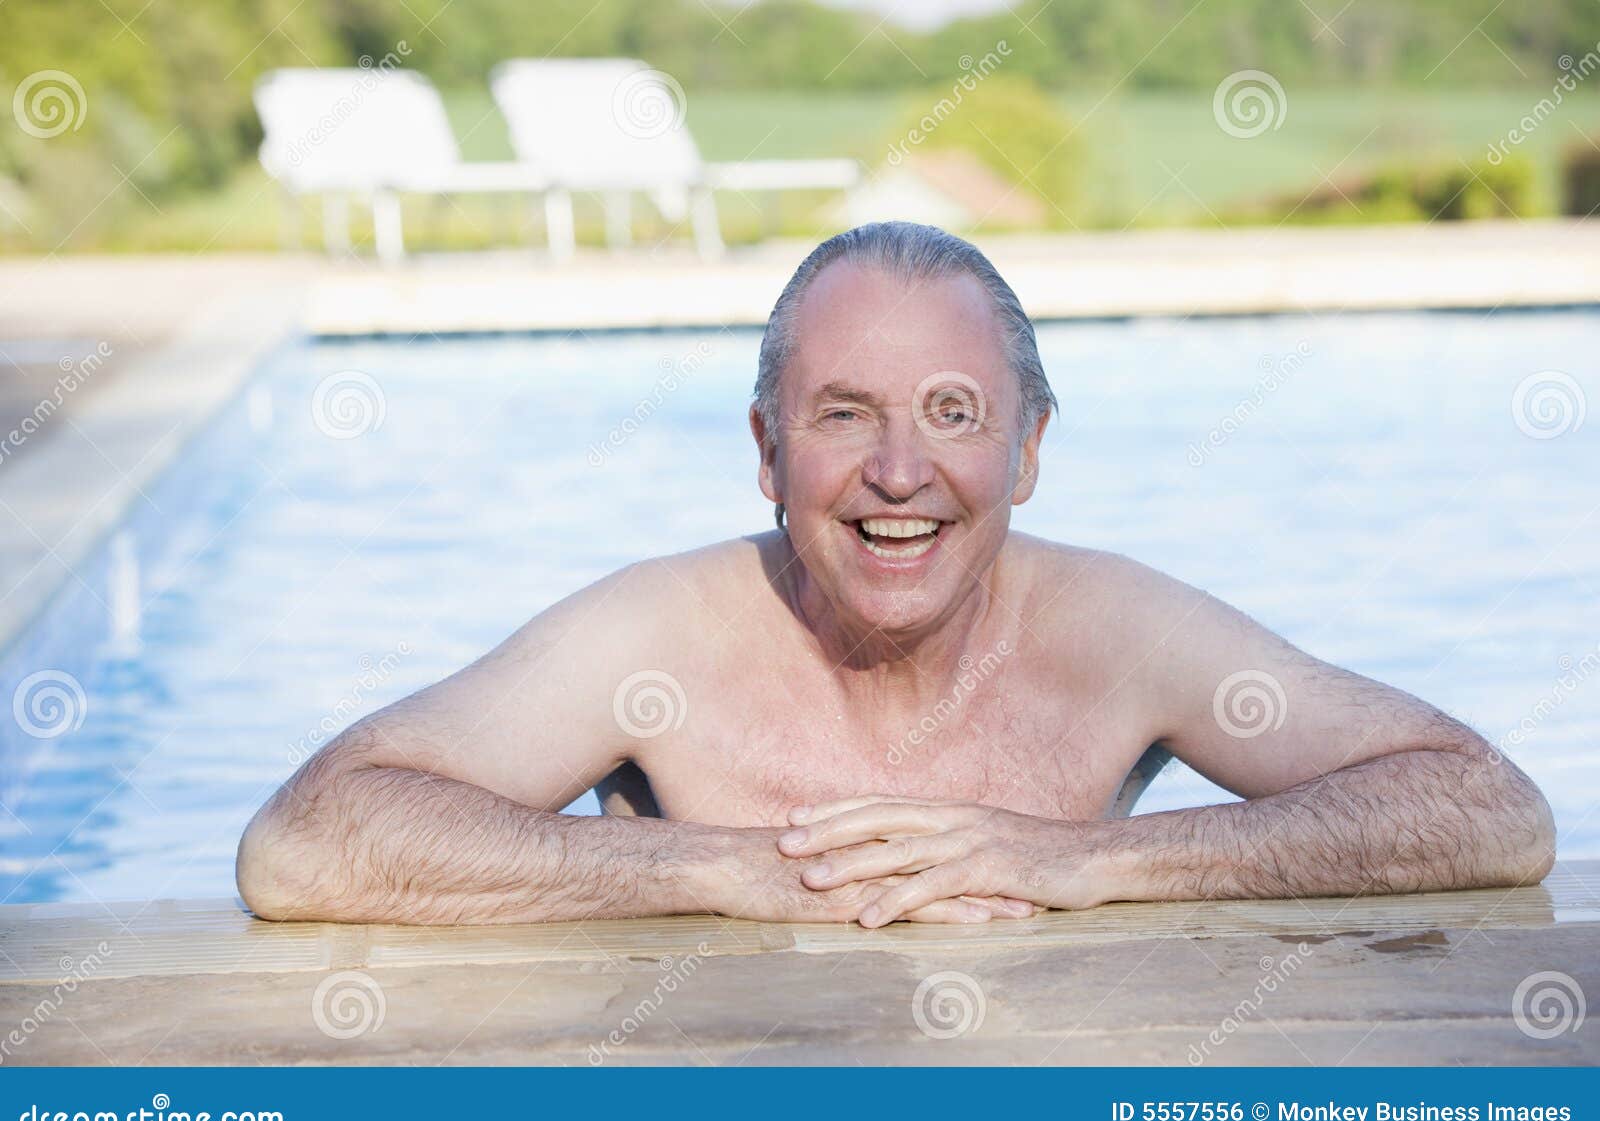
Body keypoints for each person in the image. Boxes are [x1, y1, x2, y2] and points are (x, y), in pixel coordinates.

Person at [236, 221, 1554, 927]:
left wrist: (1090, 865)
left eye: (954, 413)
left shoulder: (1122, 631)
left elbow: (1491, 811)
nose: (901, 472)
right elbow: (303, 846)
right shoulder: (655, 635)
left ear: (1029, 449)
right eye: (845, 413)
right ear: (767, 449)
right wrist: (720, 871)